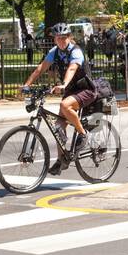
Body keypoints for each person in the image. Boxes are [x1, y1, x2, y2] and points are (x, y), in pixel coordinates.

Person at [22, 23, 97, 175]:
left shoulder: (76, 52)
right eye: (58, 38)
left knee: (64, 104)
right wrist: (27, 85)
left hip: (86, 89)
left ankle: (83, 134)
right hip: (70, 90)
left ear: (69, 37)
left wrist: (63, 84)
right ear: (54, 39)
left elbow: (72, 68)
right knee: (58, 126)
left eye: (63, 38)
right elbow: (40, 68)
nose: (61, 41)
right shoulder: (54, 52)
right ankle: (61, 159)